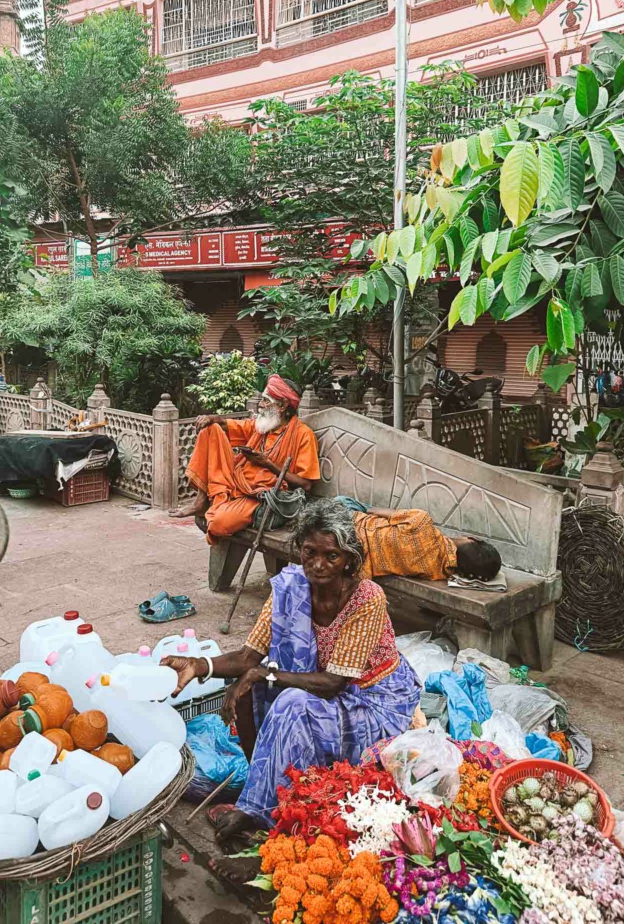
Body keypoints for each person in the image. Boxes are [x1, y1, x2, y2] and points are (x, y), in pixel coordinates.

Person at [162, 500, 420, 878]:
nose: (317, 564)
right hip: (321, 686)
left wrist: (266, 675)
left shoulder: (366, 599)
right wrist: (201, 665)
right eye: (309, 553)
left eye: (331, 556)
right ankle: (259, 801)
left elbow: (334, 683)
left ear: (348, 559)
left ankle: (274, 838)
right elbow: (251, 654)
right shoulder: (291, 588)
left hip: (374, 701)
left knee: (291, 701)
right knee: (251, 688)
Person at [169, 375, 320, 543]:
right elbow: (225, 425)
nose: (260, 405)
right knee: (210, 429)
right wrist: (212, 418)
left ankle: (220, 505)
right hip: (236, 483)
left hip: (261, 497)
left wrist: (267, 464)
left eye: (266, 400)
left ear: (283, 405)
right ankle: (202, 500)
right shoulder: (262, 426)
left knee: (218, 523)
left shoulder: (303, 435)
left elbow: (306, 484)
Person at [344, 503, 502, 583]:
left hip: (347, 525)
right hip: (357, 559)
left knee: (355, 504)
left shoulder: (421, 522)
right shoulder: (436, 573)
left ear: (473, 539)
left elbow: (372, 511)